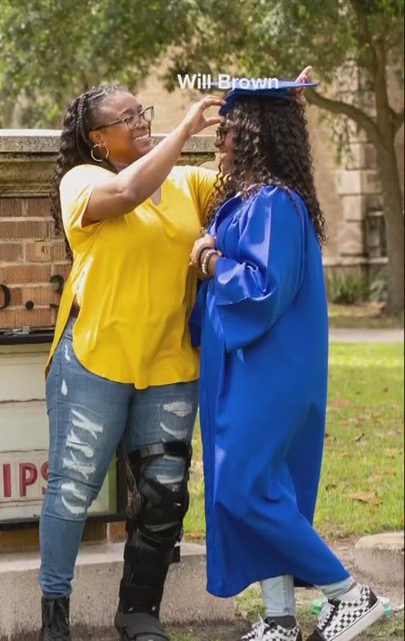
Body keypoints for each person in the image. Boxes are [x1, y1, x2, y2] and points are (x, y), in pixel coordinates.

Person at [189, 79, 387, 641]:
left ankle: (349, 594)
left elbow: (262, 289)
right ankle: (279, 620)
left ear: (255, 134)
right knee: (266, 488)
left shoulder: (273, 203)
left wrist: (209, 262)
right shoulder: (247, 200)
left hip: (267, 370)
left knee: (244, 489)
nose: (220, 138)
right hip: (244, 366)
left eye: (229, 129)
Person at [40, 85, 225, 641]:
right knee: (73, 489)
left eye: (142, 112)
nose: (141, 121)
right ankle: (55, 617)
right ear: (98, 140)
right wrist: (186, 128)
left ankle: (138, 613)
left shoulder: (187, 182)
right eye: (126, 118)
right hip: (94, 359)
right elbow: (127, 192)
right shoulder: (83, 181)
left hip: (169, 363)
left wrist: (277, 108)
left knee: (166, 492)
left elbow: (248, 186)